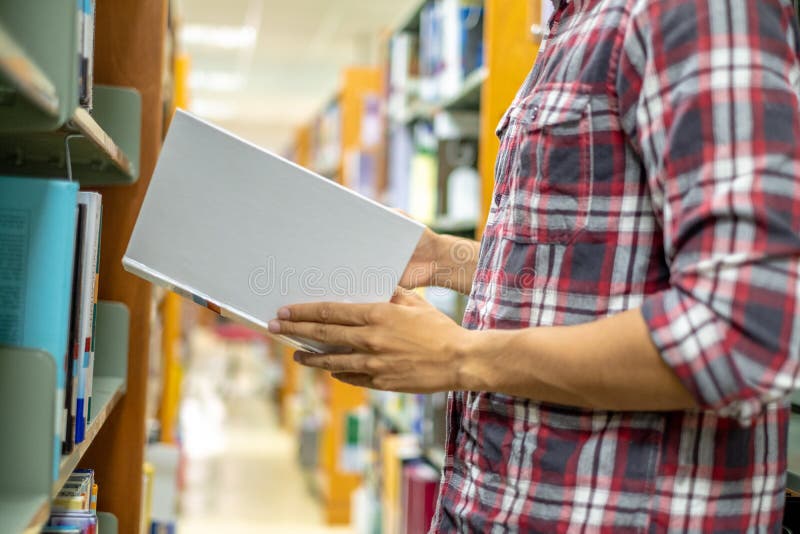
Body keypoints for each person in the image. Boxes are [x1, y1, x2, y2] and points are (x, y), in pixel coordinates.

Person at [268, 0, 800, 531]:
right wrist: (441, 258)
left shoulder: (691, 11)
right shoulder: (572, 23)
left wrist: (460, 356)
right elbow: (594, 280)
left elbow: (744, 334)